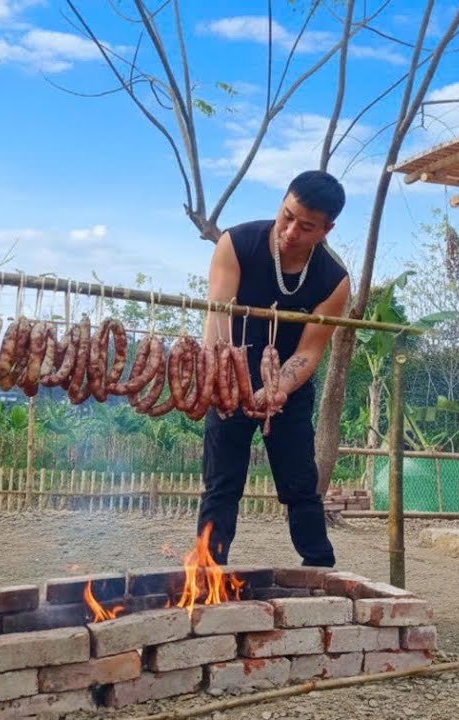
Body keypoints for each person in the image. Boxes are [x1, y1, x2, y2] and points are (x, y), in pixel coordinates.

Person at [198, 170, 351, 567]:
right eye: (287, 216)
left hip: (288, 388)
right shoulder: (237, 243)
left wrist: (277, 387)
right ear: (282, 202)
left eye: (306, 227)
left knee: (300, 483)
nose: (290, 231)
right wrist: (228, 383)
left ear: (326, 229)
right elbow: (217, 322)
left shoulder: (334, 281)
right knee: (221, 484)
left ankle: (319, 567)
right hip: (228, 381)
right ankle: (208, 571)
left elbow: (310, 350)